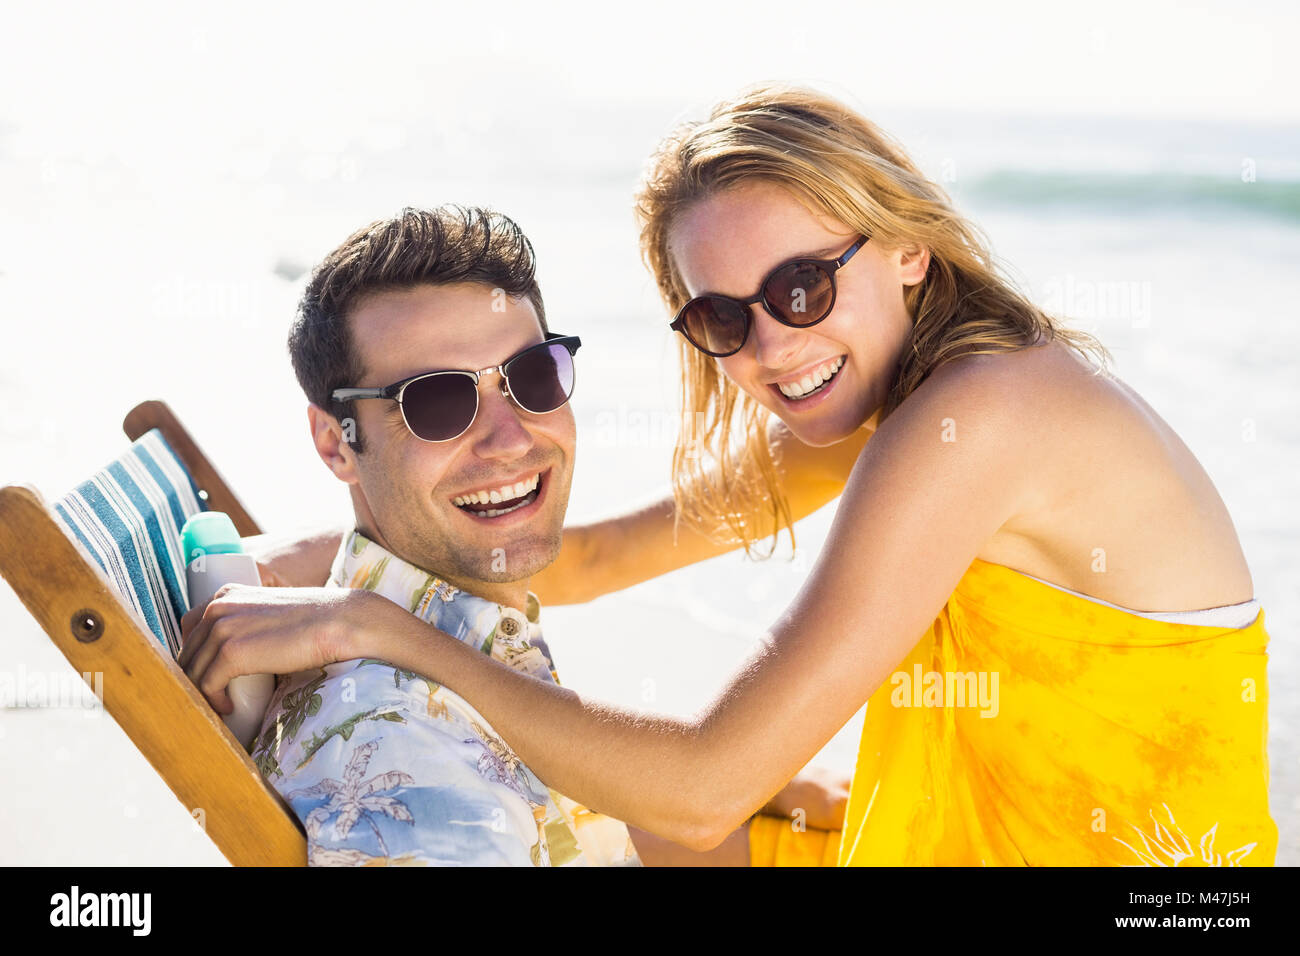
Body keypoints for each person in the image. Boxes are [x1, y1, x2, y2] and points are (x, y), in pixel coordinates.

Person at [182, 85, 1276, 865]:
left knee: (631, 815)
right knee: (581, 819)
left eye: (802, 286)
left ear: (908, 247)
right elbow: (597, 556)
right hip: (960, 832)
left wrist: (377, 627)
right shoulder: (894, 399)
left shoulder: (977, 416)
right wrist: (329, 562)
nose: (770, 345)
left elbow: (706, 786)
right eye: (721, 314)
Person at [180, 203, 844, 866]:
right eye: (437, 401)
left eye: (533, 377)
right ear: (336, 443)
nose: (511, 439)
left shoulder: (451, 636)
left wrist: (764, 811)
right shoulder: (410, 766)